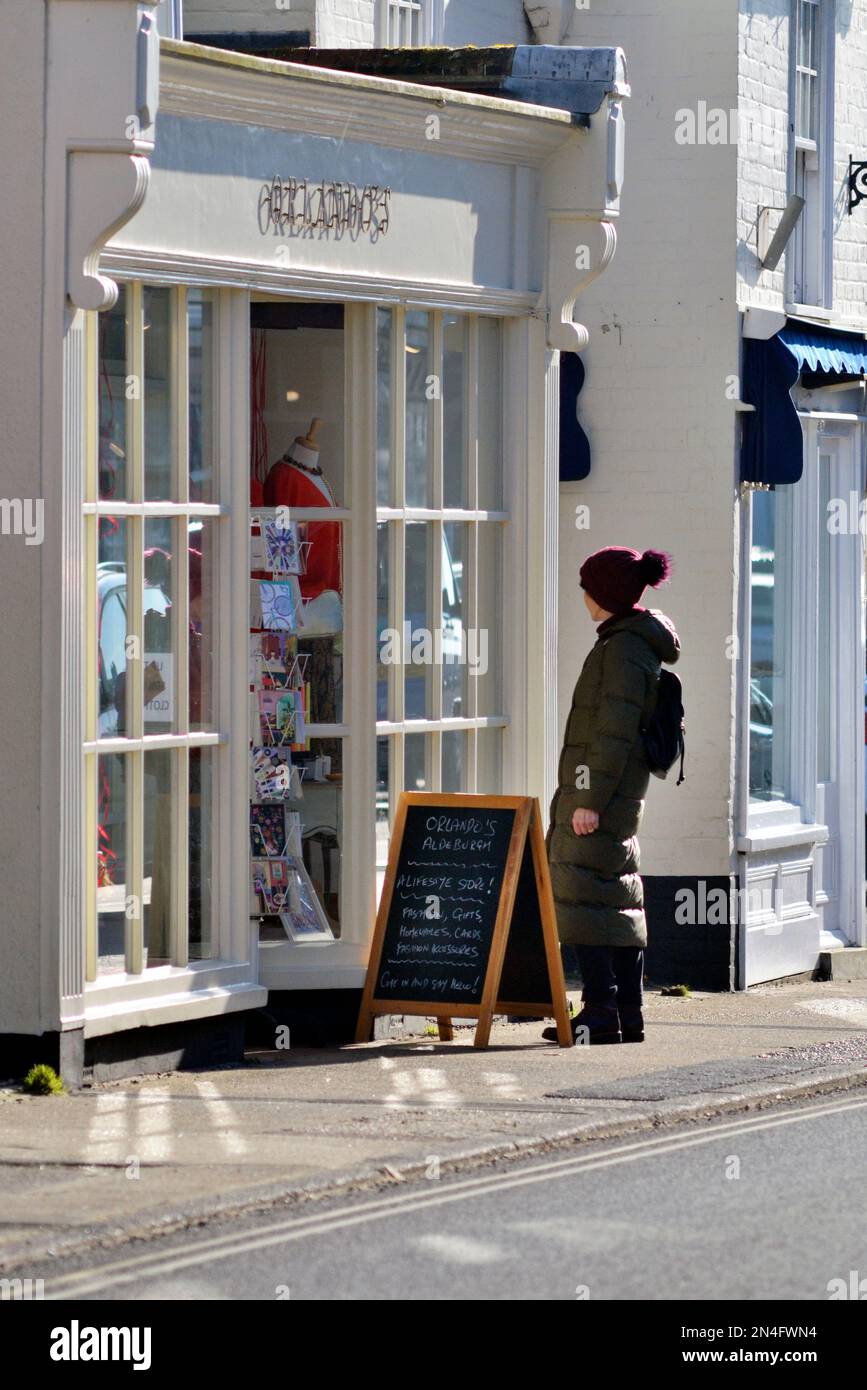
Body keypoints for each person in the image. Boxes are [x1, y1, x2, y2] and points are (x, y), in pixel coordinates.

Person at [543, 546, 681, 1046]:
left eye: (586, 587)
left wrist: (588, 799)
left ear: (604, 595)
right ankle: (627, 1013)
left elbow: (613, 733)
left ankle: (600, 1011)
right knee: (616, 896)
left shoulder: (623, 649)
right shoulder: (630, 642)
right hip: (613, 794)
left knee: (583, 895)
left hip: (600, 796)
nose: (582, 595)